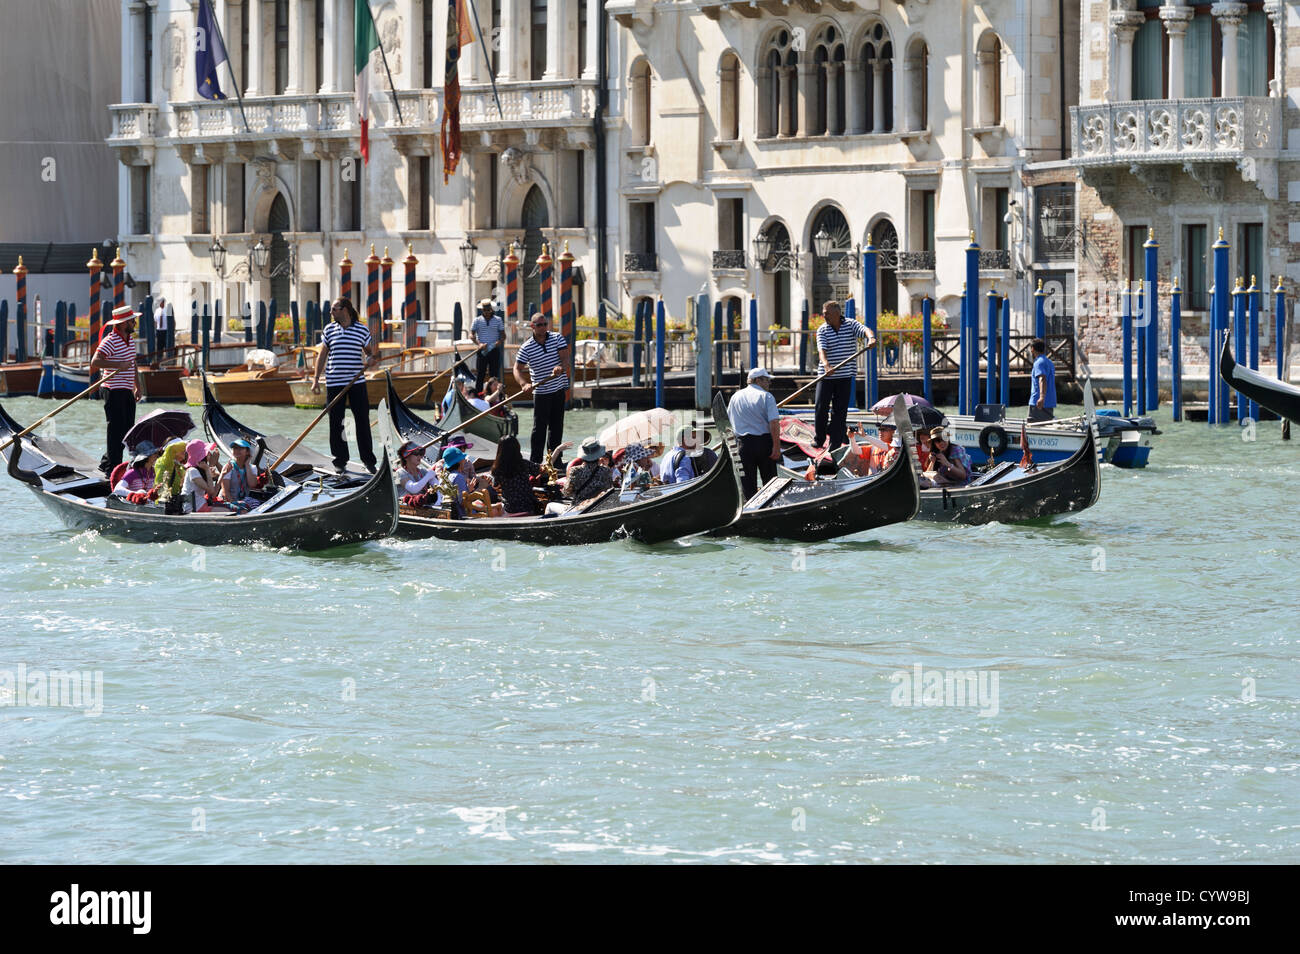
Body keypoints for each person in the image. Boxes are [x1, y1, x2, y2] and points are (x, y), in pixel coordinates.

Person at [310, 298, 378, 474]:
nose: (331, 312)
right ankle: (340, 460)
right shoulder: (329, 329)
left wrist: (371, 360)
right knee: (336, 422)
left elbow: (370, 353)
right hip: (334, 382)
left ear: (345, 310)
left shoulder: (361, 329)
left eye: (334, 309)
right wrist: (316, 379)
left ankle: (368, 461)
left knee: (362, 420)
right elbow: (322, 355)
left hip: (356, 382)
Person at [813, 300, 876, 451]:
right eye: (823, 313)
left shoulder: (850, 324)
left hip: (844, 375)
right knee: (820, 408)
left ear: (837, 313)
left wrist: (871, 338)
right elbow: (822, 351)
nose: (824, 315)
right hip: (826, 375)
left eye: (827, 313)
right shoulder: (822, 330)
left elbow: (866, 330)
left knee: (839, 412)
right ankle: (819, 439)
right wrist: (827, 365)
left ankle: (834, 444)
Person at [89, 304, 141, 474]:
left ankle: (106, 462)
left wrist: (137, 386)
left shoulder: (130, 340)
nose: (134, 322)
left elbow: (133, 363)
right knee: (116, 430)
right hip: (112, 389)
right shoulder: (110, 341)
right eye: (132, 321)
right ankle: (112, 469)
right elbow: (95, 362)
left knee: (128, 430)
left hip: (126, 390)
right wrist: (118, 365)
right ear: (122, 323)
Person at [514, 313, 570, 462]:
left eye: (545, 324)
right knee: (539, 430)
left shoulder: (557, 338)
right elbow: (517, 369)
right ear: (532, 326)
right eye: (540, 325)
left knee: (556, 428)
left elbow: (565, 358)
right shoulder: (526, 347)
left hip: (558, 389)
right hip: (541, 393)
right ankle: (536, 462)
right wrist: (524, 384)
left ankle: (555, 461)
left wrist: (561, 368)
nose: (544, 327)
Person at [727, 367, 782, 499]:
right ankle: (771, 508)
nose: (769, 383)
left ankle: (751, 511)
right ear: (758, 380)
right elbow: (774, 423)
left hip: (743, 446)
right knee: (771, 484)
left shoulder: (735, 397)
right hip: (764, 443)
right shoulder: (766, 396)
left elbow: (728, 424)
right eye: (767, 380)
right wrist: (776, 446)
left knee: (748, 486)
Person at [471, 298, 506, 395]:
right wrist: (479, 344)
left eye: (488, 310)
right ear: (482, 310)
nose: (486, 312)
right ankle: (478, 396)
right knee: (480, 374)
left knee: (494, 375)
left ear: (491, 309)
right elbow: (471, 335)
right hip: (481, 350)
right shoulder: (477, 320)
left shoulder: (498, 320)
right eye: (485, 310)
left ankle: (494, 395)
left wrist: (496, 343)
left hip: (494, 350)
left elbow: (503, 336)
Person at [562, 437, 613, 504]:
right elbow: (608, 490)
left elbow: (567, 493)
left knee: (550, 505)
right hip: (598, 506)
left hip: (580, 507)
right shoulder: (606, 471)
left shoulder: (575, 471)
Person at [220, 438, 262, 511]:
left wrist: (247, 465)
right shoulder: (228, 467)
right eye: (235, 448)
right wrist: (234, 505)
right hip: (228, 501)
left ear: (247, 452)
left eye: (240, 448)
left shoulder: (252, 468)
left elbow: (252, 484)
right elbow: (225, 492)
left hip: (243, 500)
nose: (237, 451)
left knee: (256, 505)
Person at [182, 439, 221, 512]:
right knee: (232, 510)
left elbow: (221, 476)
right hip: (194, 508)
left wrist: (214, 465)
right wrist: (207, 470)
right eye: (207, 453)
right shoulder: (192, 471)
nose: (209, 454)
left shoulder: (199, 471)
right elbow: (211, 491)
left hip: (201, 505)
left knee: (234, 508)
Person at [154, 439, 189, 512]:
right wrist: (190, 444)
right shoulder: (164, 462)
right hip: (162, 504)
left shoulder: (179, 467)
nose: (184, 450)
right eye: (180, 448)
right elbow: (170, 448)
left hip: (174, 503)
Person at [1028, 338, 1057, 422]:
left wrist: (1041, 397)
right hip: (1050, 401)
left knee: (1032, 428)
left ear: (1032, 349)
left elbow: (1042, 379)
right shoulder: (1049, 362)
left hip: (1038, 402)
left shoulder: (1038, 363)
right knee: (1046, 428)